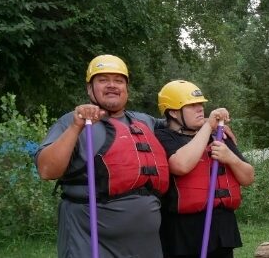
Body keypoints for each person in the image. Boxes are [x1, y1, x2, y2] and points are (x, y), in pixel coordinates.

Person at [35, 54, 169, 257]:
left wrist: (207, 123)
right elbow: (46, 170)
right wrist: (75, 126)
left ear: (126, 89)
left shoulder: (144, 121)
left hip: (144, 244)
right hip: (91, 241)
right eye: (103, 80)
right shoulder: (72, 122)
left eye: (118, 80)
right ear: (90, 89)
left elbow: (180, 126)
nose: (112, 85)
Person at [155, 80, 255, 258]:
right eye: (192, 105)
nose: (200, 108)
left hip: (220, 229)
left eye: (200, 104)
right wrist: (208, 125)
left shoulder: (219, 135)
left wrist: (230, 158)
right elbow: (181, 165)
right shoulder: (162, 136)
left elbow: (248, 178)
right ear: (173, 112)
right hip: (182, 231)